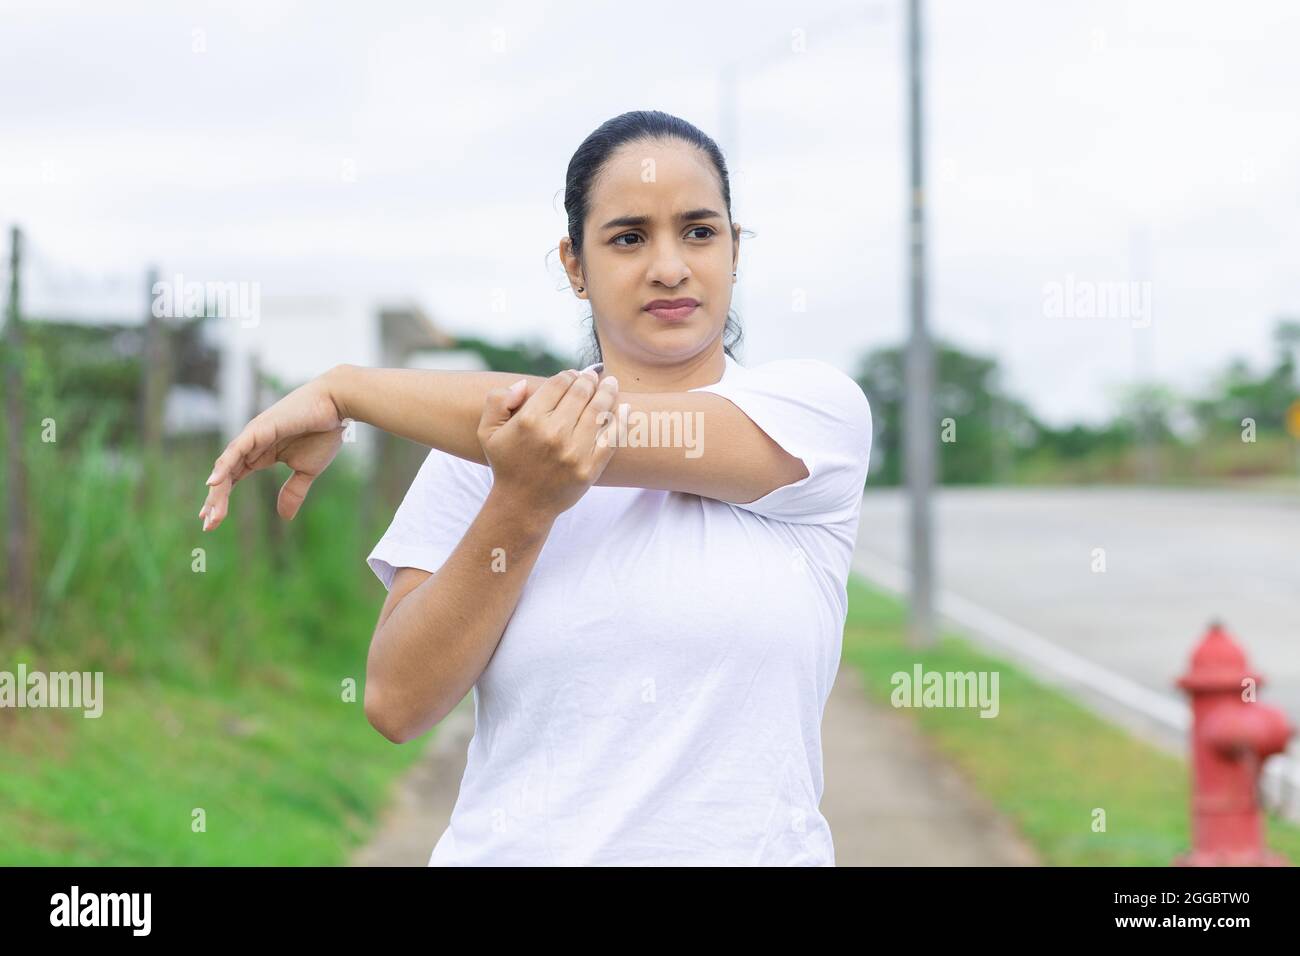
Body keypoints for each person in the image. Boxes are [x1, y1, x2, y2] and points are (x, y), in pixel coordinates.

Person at [198, 109, 872, 866]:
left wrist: (347, 389)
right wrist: (520, 504)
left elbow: (605, 437)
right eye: (627, 237)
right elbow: (396, 702)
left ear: (735, 248)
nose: (670, 267)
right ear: (574, 264)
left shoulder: (813, 418)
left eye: (699, 231)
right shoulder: (477, 454)